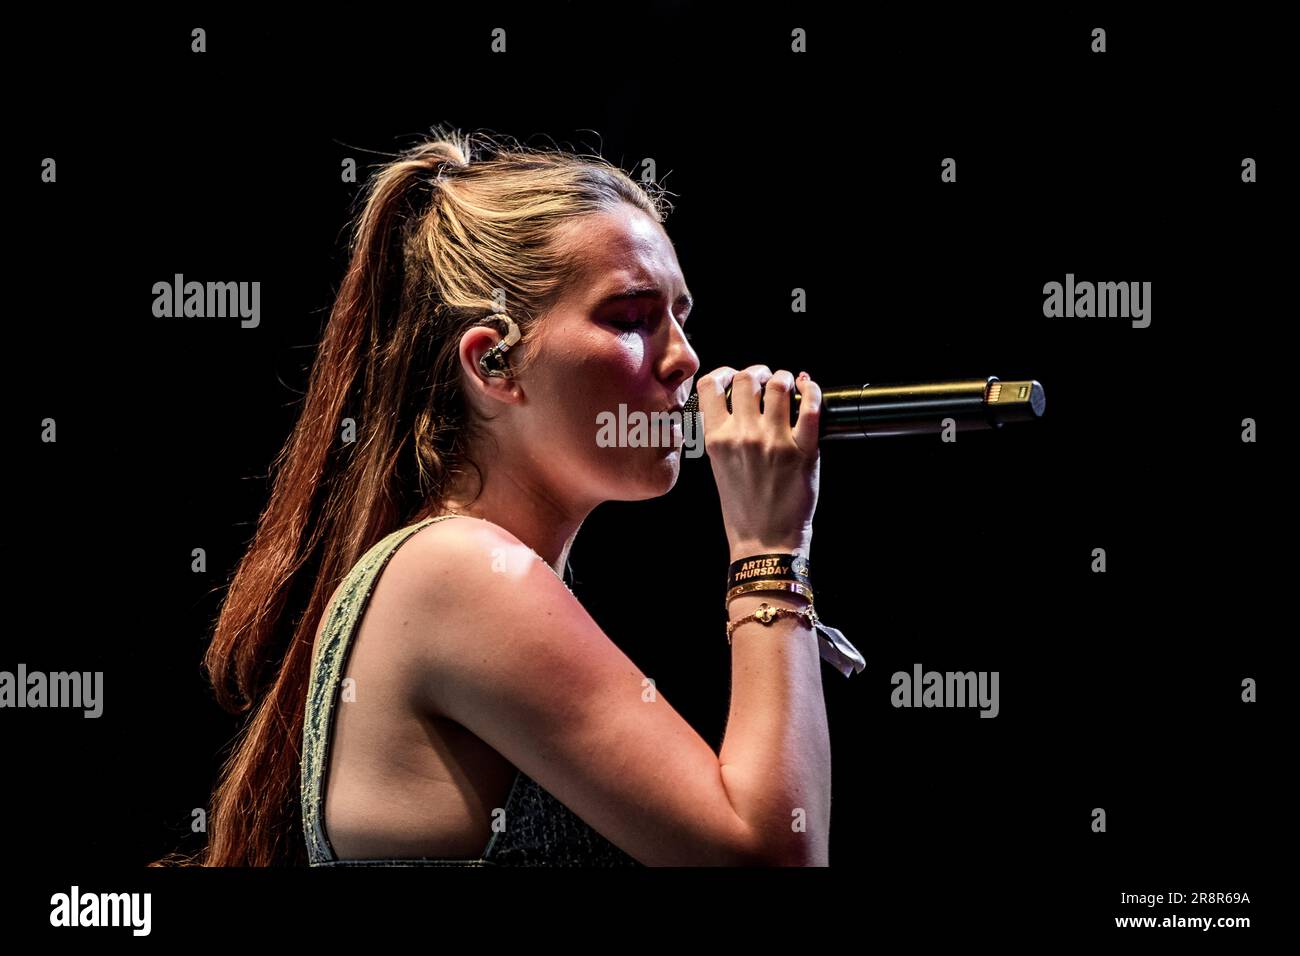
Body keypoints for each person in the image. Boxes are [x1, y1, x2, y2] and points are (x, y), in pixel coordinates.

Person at [153, 127, 831, 867]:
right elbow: (771, 854)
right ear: (496, 364)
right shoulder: (459, 567)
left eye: (681, 316)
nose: (686, 360)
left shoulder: (462, 568)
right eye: (632, 318)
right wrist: (770, 552)